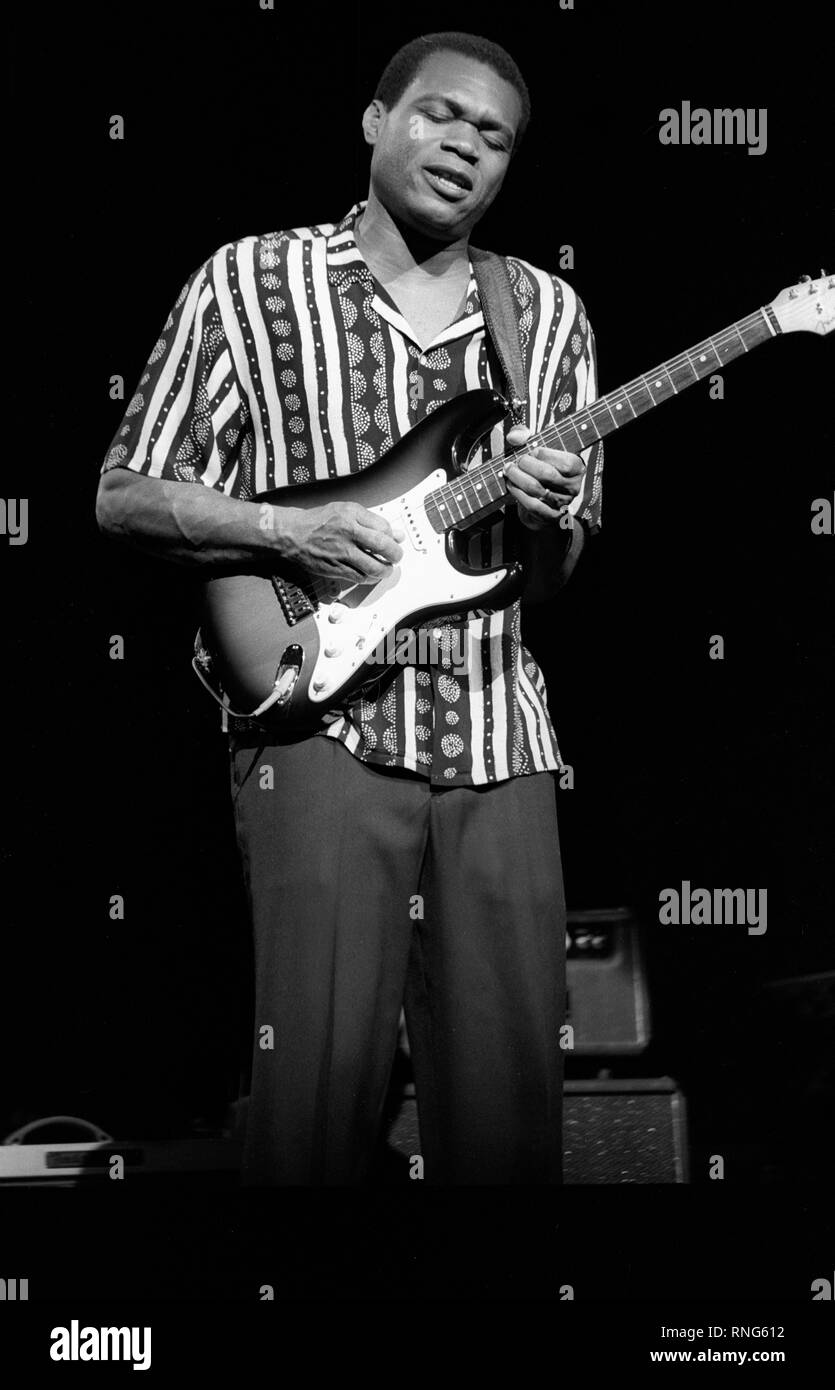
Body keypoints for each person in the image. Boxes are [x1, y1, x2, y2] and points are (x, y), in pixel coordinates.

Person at [96, 31, 605, 1185]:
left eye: (493, 138)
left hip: (496, 730)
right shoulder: (249, 281)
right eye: (439, 116)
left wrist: (547, 518)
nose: (463, 148)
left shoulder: (549, 317)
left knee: (510, 1113)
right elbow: (122, 494)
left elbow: (559, 581)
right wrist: (285, 532)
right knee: (314, 1099)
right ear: (376, 123)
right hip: (317, 729)